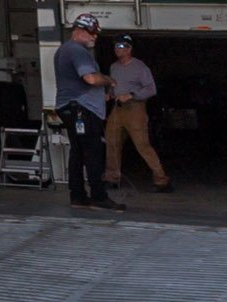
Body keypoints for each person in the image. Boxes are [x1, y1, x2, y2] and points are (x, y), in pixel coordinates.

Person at [51, 16, 118, 209]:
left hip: (71, 107)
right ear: (78, 30)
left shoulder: (65, 50)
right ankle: (98, 196)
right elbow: (90, 78)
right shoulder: (76, 50)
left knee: (78, 152)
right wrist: (108, 80)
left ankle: (78, 196)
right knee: (93, 151)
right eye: (91, 32)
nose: (95, 36)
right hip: (81, 108)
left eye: (96, 32)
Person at [100, 27, 172, 192]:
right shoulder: (114, 67)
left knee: (142, 145)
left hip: (135, 109)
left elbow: (151, 89)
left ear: (129, 49)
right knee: (111, 142)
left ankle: (161, 180)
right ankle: (112, 178)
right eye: (116, 47)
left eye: (121, 47)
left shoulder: (140, 67)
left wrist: (132, 95)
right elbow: (115, 87)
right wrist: (109, 94)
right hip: (117, 109)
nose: (118, 50)